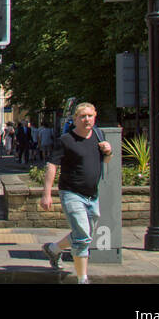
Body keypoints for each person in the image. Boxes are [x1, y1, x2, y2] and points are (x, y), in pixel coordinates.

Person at [40, 103, 112, 283]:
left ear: (95, 116)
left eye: (90, 116)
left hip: (92, 195)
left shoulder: (98, 135)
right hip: (71, 193)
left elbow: (106, 160)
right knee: (82, 237)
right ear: (74, 119)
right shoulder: (66, 140)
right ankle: (83, 279)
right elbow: (52, 166)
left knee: (85, 234)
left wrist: (108, 151)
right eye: (82, 116)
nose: (87, 119)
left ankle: (54, 249)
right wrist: (46, 193)